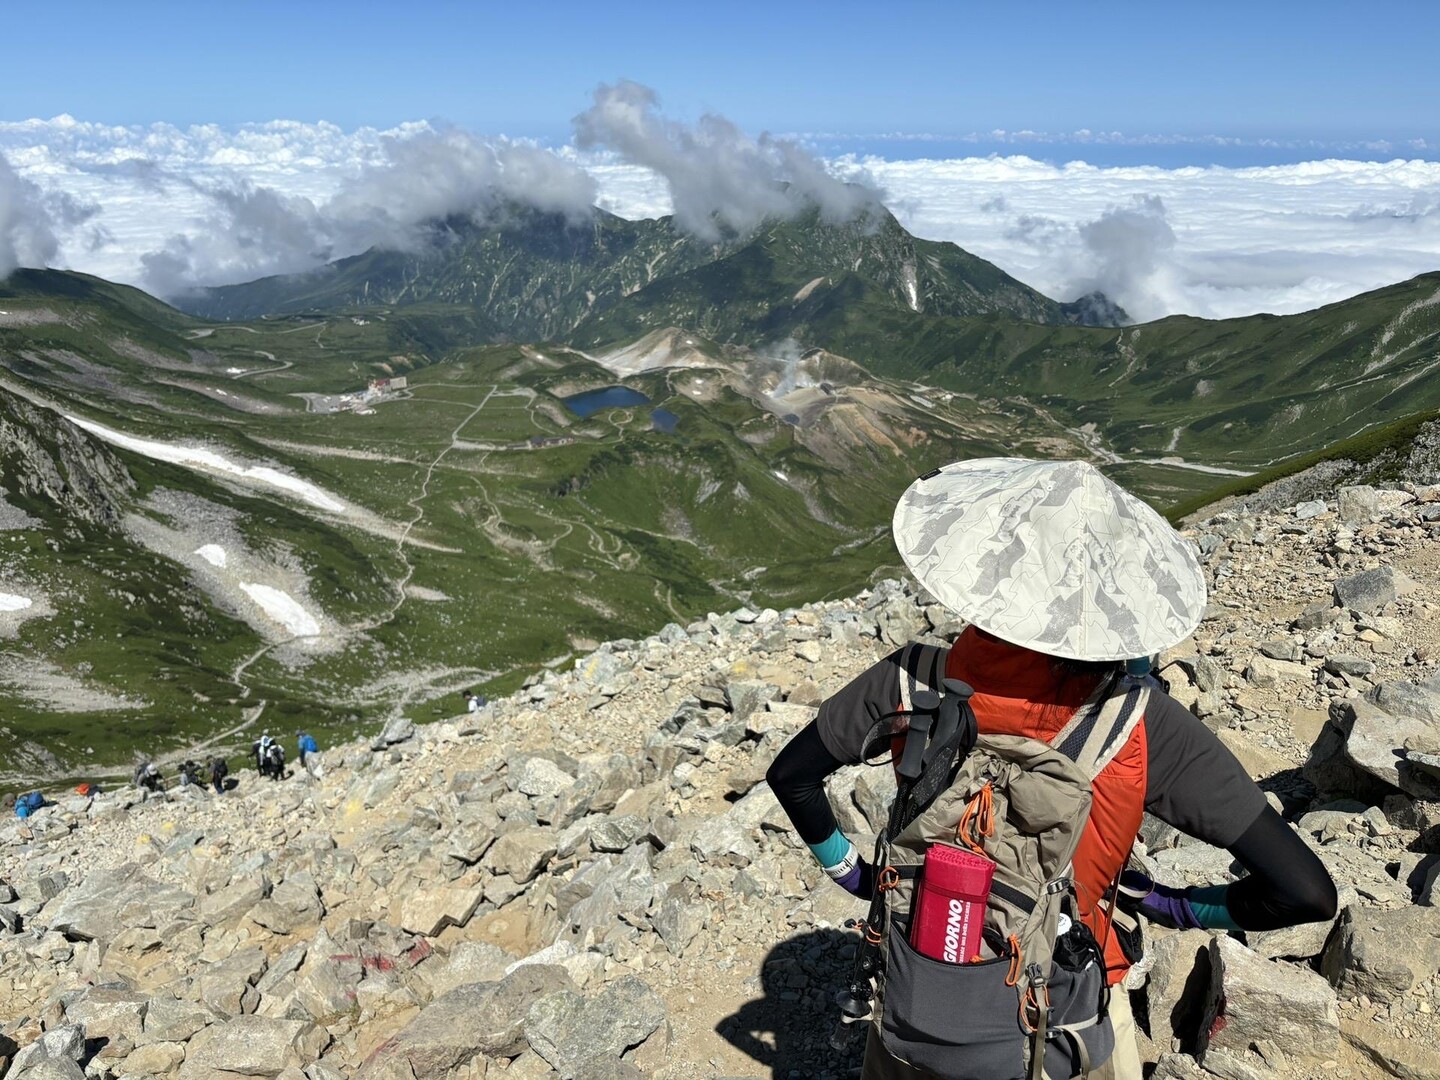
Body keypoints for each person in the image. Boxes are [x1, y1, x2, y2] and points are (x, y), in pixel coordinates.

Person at [766, 458, 1337, 1080]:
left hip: (917, 994)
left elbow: (791, 776)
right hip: (1060, 1020)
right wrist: (1176, 907)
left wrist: (854, 874)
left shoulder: (908, 680)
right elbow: (1306, 893)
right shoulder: (1145, 725)